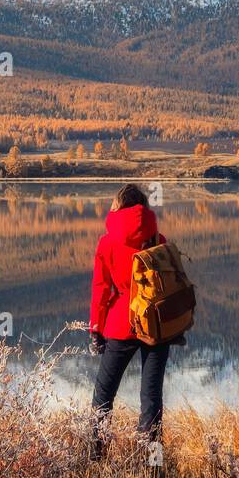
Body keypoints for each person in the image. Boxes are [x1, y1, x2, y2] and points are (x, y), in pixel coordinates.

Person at [89, 183, 171, 458]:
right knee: (151, 399)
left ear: (117, 207)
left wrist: (96, 329)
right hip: (156, 327)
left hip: (121, 324)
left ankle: (96, 457)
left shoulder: (107, 242)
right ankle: (152, 463)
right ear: (144, 209)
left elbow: (101, 288)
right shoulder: (159, 239)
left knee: (103, 396)